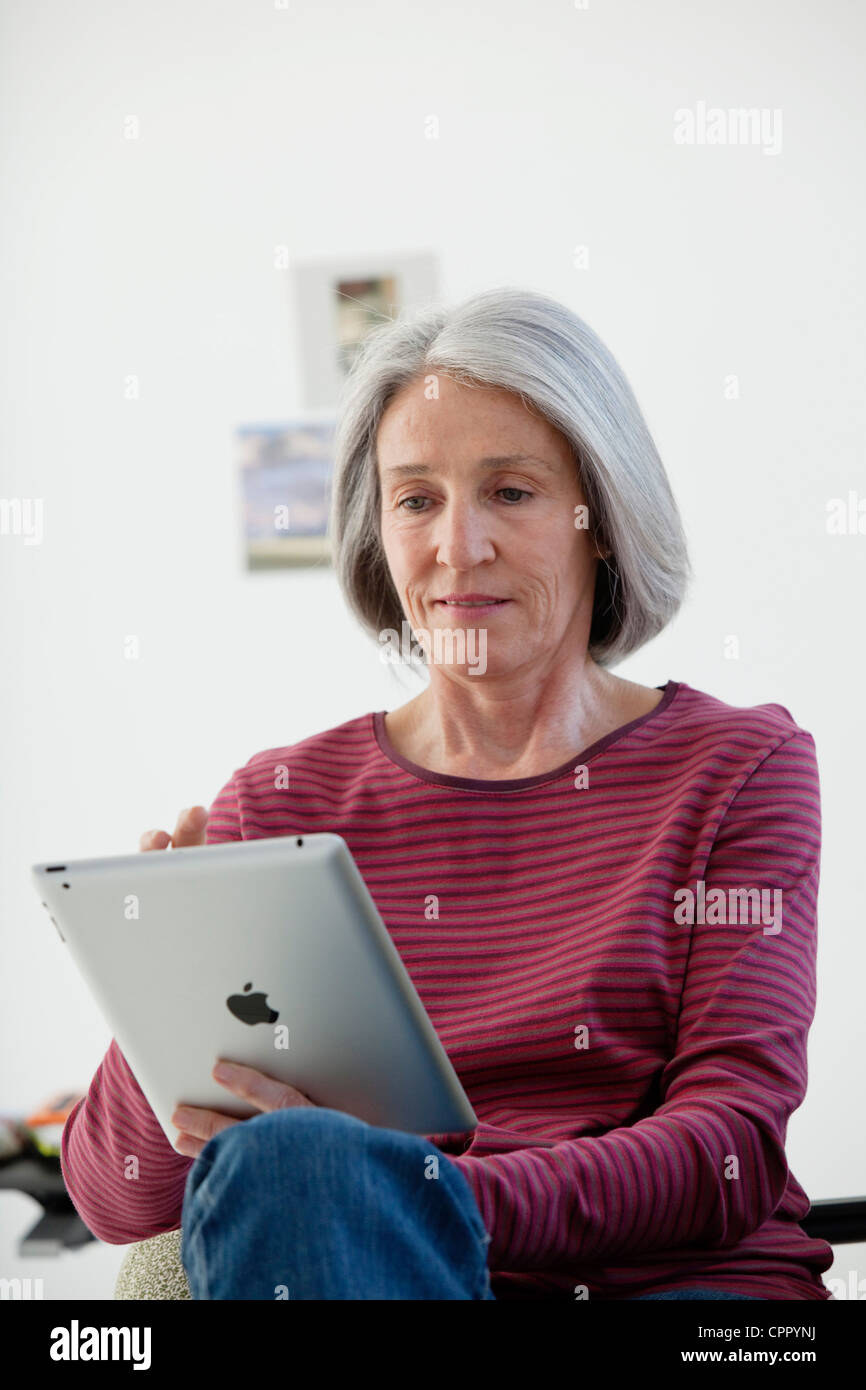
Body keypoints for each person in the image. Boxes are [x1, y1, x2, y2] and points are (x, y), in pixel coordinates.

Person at [60, 287, 833, 1300]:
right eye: (415, 498)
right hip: (371, 1270)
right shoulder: (279, 801)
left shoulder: (736, 769)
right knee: (273, 1179)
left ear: (599, 519)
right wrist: (166, 991)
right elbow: (118, 1198)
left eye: (508, 492)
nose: (455, 547)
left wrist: (424, 1191)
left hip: (674, 1288)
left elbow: (726, 1150)